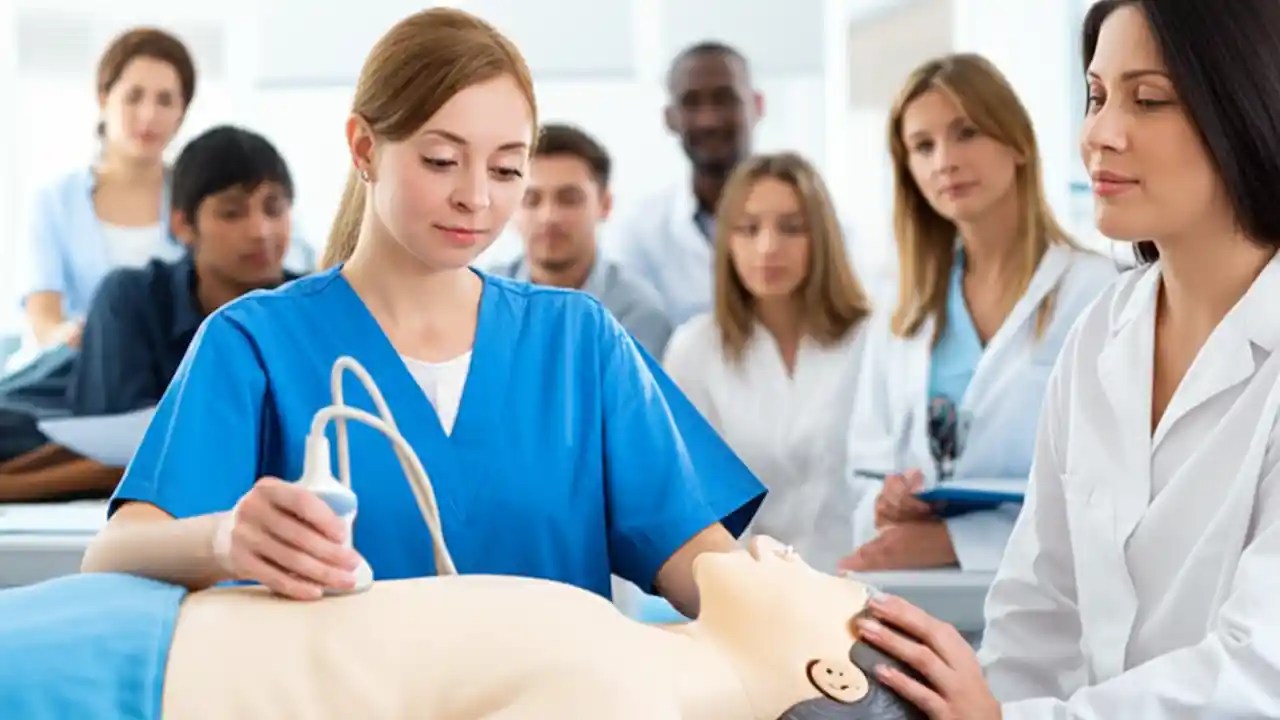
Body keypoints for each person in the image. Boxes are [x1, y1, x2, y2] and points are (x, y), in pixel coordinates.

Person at [81, 8, 765, 621]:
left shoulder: (579, 344)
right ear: (364, 148)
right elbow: (115, 551)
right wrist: (225, 539)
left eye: (505, 171)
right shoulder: (255, 344)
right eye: (441, 160)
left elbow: (701, 561)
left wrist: (830, 619)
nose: (475, 198)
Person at [855, 2, 1280, 717]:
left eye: (1148, 100)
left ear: (1245, 106)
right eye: (1096, 96)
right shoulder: (1103, 333)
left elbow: (1259, 667)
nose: (1099, 134)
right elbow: (1038, 609)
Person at [5, 538, 923, 719]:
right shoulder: (635, 636)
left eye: (825, 581)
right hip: (147, 625)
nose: (791, 549)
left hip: (129, 684)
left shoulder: (632, 698)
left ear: (834, 678)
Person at [838, 53, 1116, 575]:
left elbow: (1108, 488)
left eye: (966, 133)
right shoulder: (903, 308)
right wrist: (886, 503)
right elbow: (866, 470)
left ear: (1016, 144)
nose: (944, 160)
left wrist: (958, 541)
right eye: (923, 146)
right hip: (915, 591)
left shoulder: (1095, 291)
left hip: (1050, 594)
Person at [664, 152, 872, 574]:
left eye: (792, 228)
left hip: (863, 587)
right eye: (748, 228)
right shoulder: (695, 349)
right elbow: (693, 501)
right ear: (727, 241)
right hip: (747, 597)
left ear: (823, 237)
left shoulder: (873, 339)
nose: (768, 247)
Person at [68, 125, 299, 417]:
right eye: (232, 213)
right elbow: (110, 435)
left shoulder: (315, 306)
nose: (260, 231)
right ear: (183, 226)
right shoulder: (131, 300)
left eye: (274, 209)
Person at [18, 27, 196, 352]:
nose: (149, 115)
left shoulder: (197, 198)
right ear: (103, 98)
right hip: (77, 375)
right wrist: (71, 336)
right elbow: (43, 319)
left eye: (165, 100)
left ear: (182, 112)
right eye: (134, 96)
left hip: (172, 376)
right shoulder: (56, 201)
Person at [610, 41, 764, 326]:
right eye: (691, 103)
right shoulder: (641, 231)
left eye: (725, 99)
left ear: (757, 105)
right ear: (669, 118)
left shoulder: (820, 221)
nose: (708, 120)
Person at [490, 123, 672, 356]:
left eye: (569, 199)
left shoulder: (637, 312)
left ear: (605, 205)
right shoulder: (480, 298)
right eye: (531, 199)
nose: (549, 217)